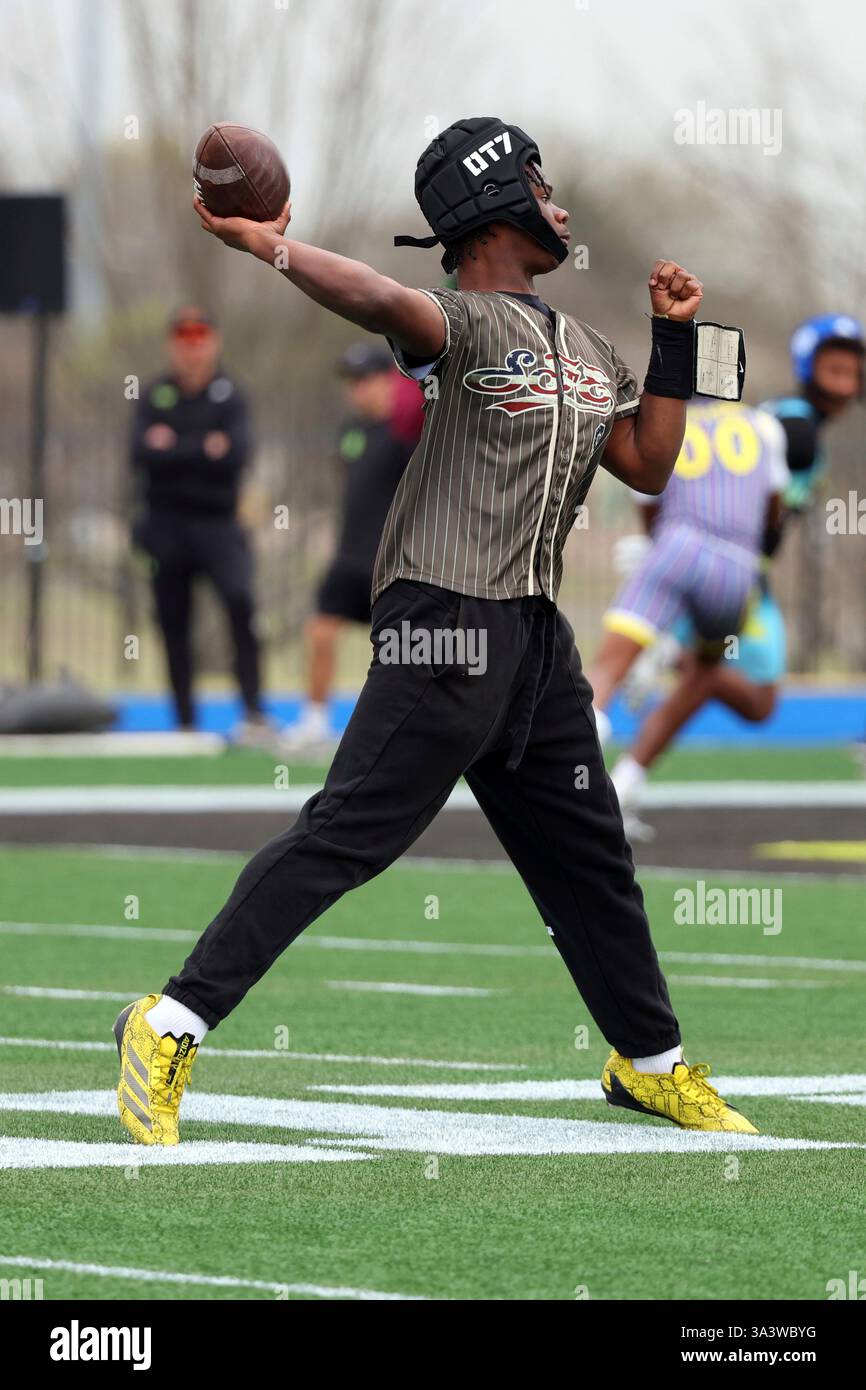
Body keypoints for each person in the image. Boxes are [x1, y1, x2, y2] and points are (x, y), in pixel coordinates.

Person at [114, 116, 758, 1144]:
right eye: (536, 180)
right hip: (444, 618)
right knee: (348, 835)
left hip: (533, 638)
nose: (556, 198)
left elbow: (646, 461)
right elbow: (375, 294)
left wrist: (671, 339)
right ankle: (168, 1018)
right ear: (492, 199)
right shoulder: (454, 323)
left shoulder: (586, 345)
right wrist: (266, 244)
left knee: (589, 858)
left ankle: (649, 1064)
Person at [604, 314, 864, 822]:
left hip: (725, 565)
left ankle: (663, 660)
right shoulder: (791, 427)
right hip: (736, 572)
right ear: (809, 367)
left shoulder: (788, 423)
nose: (844, 383)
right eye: (833, 368)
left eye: (851, 372)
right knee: (726, 679)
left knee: (748, 696)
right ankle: (626, 778)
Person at [130, 306, 269, 741]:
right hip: (166, 524)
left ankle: (252, 713)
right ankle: (185, 722)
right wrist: (202, 448)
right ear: (173, 344)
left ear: (214, 342)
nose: (192, 349)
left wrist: (174, 448)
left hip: (219, 524)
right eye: (183, 339)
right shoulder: (154, 394)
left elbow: (234, 457)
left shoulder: (232, 395)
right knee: (172, 621)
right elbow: (140, 455)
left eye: (200, 338)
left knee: (241, 603)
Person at [284, 342, 424, 751]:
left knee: (401, 650)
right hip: (349, 556)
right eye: (351, 382)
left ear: (388, 381)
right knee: (320, 632)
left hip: (393, 561)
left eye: (364, 380)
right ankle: (314, 721)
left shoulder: (408, 433)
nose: (356, 390)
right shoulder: (351, 432)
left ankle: (406, 730)